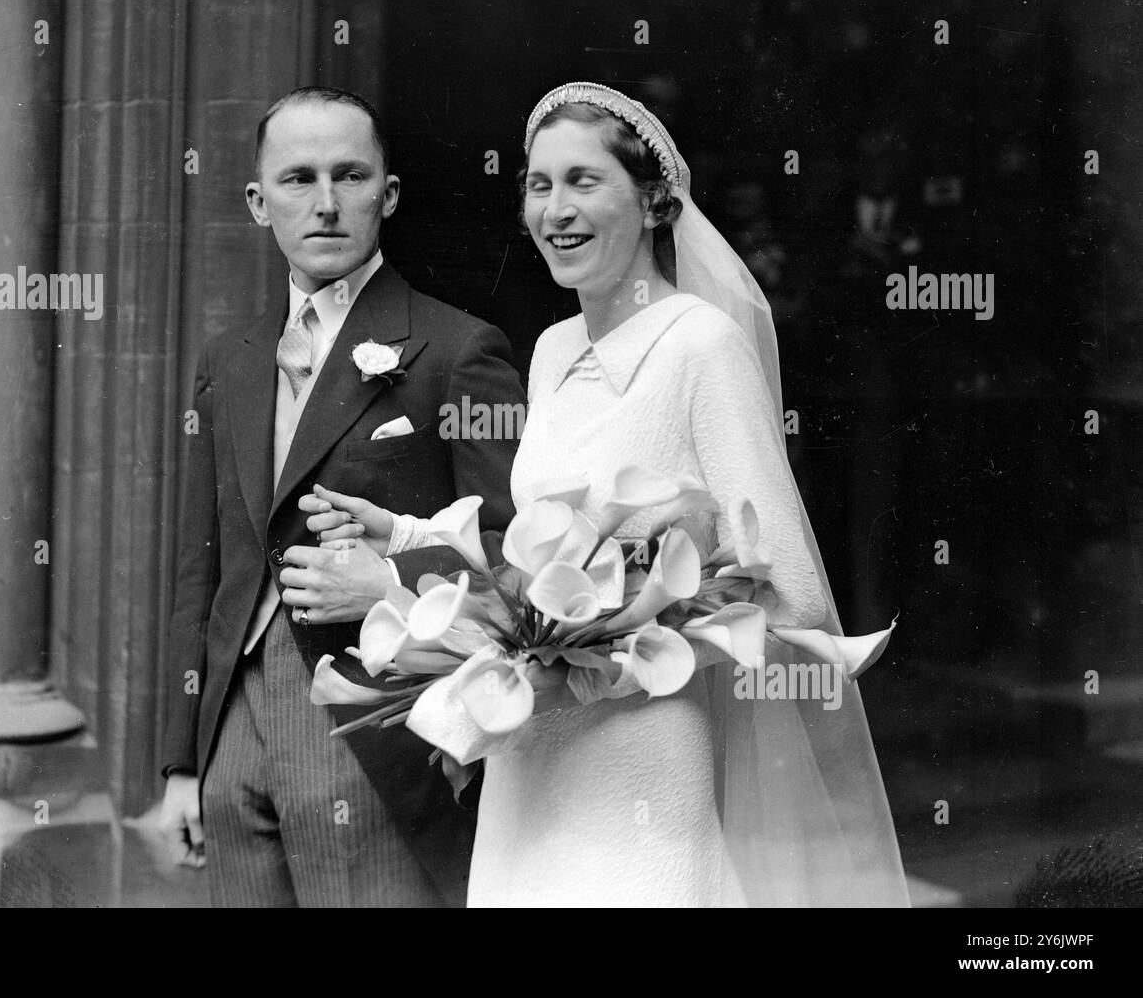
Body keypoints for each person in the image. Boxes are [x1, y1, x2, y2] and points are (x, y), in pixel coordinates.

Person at [302, 82, 911, 907]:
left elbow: (795, 598)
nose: (556, 209)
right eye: (539, 183)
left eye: (585, 181)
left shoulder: (701, 346)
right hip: (532, 761)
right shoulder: (552, 351)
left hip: (643, 766)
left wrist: (615, 648)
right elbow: (545, 546)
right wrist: (404, 538)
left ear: (656, 202)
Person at [157, 86, 525, 907]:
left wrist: (392, 576)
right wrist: (185, 761)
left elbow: (517, 559)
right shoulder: (231, 357)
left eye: (350, 176)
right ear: (258, 203)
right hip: (233, 731)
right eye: (297, 180)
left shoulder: (459, 351)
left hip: (375, 730)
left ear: (388, 196)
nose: (325, 203)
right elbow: (201, 564)